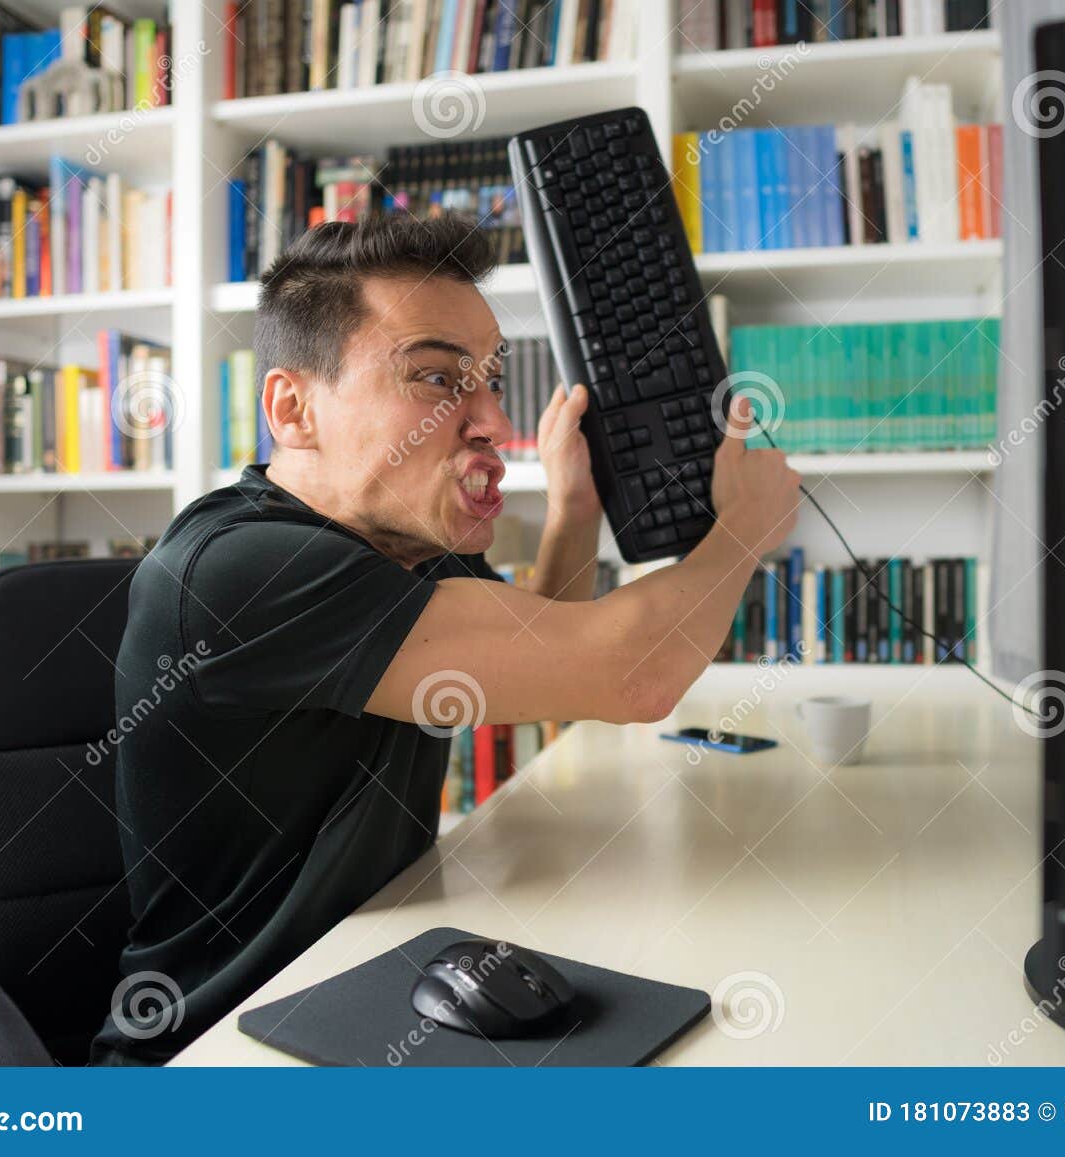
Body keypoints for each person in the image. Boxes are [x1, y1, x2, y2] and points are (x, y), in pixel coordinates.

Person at [89, 214, 799, 1064]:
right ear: (293, 407)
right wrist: (743, 533)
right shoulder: (246, 570)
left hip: (363, 985)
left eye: (490, 381)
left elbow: (548, 659)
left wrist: (574, 511)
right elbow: (630, 677)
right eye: (437, 378)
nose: (493, 420)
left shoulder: (398, 550)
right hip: (224, 1051)